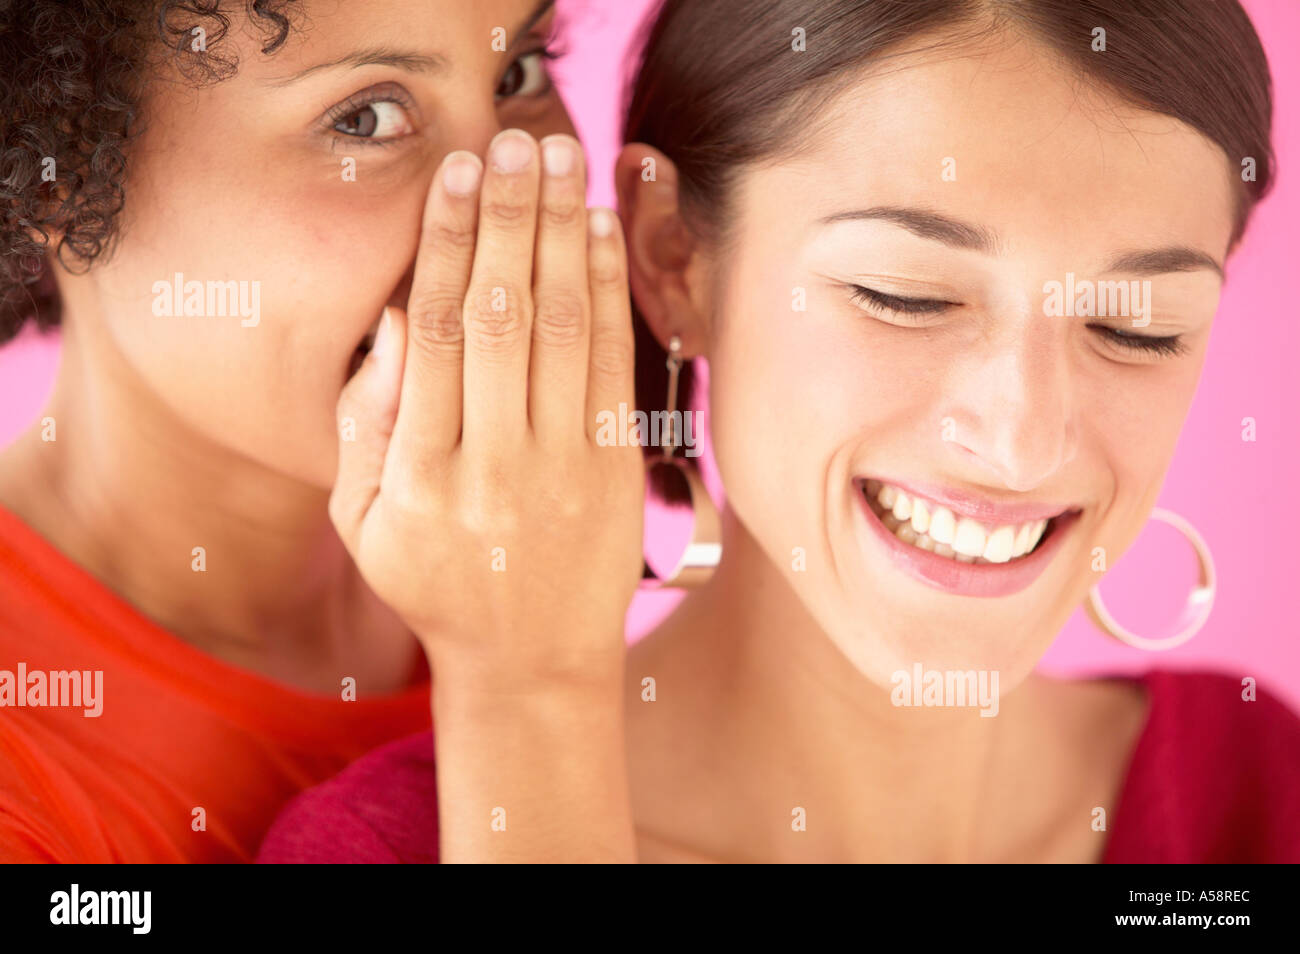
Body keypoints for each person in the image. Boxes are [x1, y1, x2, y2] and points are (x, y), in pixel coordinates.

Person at [258, 0, 1300, 863]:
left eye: (1137, 328)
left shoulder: (1254, 790)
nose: (1022, 442)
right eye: (904, 295)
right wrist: (528, 703)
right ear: (671, 257)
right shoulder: (398, 849)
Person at [0, 0, 641, 862]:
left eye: (518, 72)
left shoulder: (561, 571)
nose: (504, 206)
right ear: (61, 175)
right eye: (365, 118)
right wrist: (527, 689)